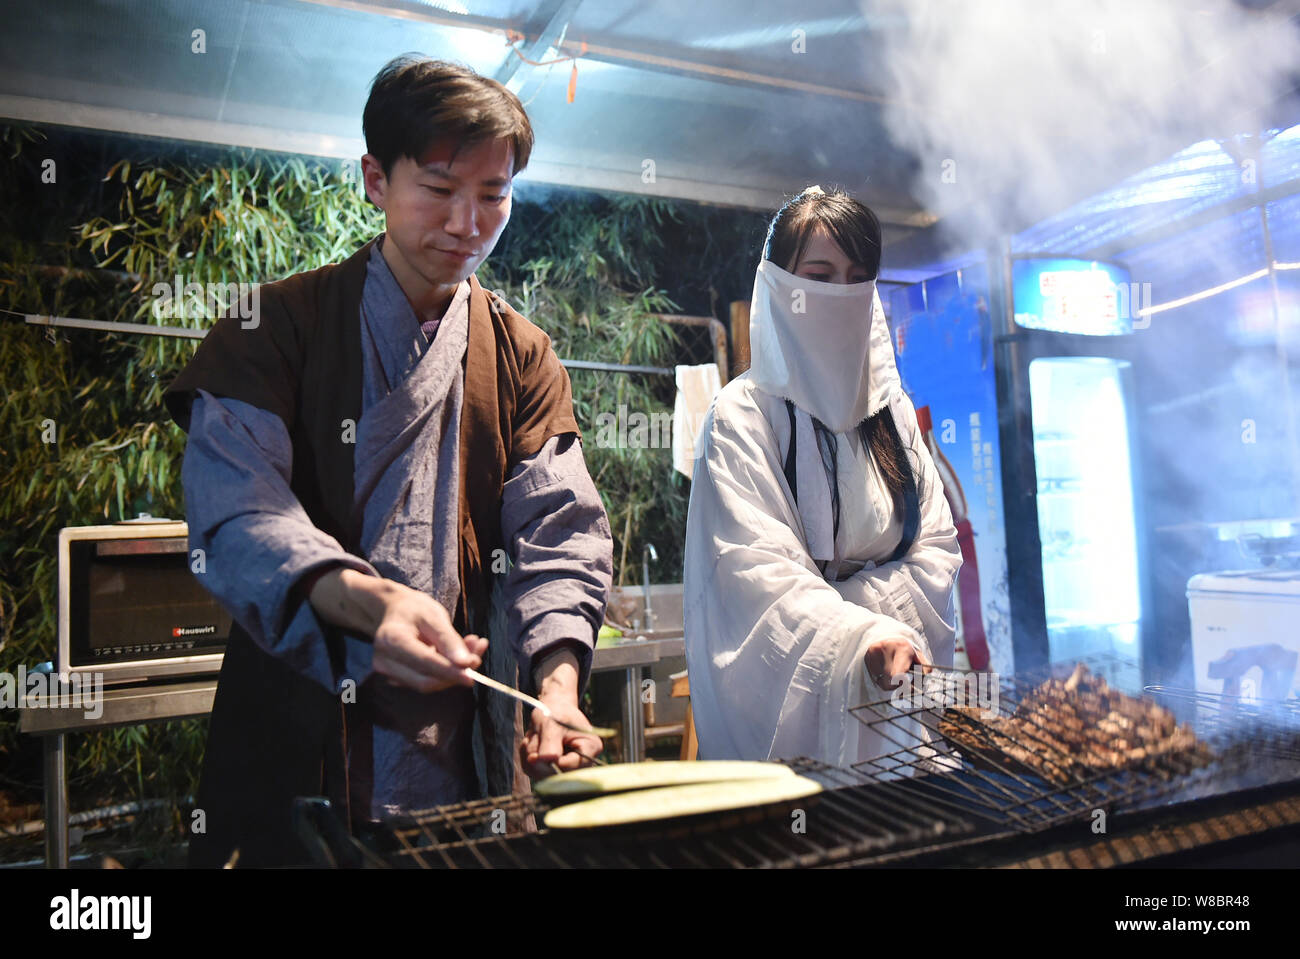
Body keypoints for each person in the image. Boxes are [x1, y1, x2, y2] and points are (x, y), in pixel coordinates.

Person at [163, 56, 613, 867]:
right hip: (301, 741)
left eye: (494, 194)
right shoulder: (273, 328)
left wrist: (556, 687)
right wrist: (368, 606)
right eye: (439, 189)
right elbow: (238, 516)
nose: (468, 222)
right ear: (375, 178)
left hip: (472, 755)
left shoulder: (521, 354)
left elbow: (559, 527)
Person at [682, 186, 962, 768]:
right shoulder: (744, 415)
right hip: (792, 743)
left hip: (899, 718)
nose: (839, 294)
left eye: (857, 276)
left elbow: (936, 547)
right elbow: (754, 575)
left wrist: (852, 611)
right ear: (782, 288)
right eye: (819, 275)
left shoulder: (894, 415)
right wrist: (860, 635)